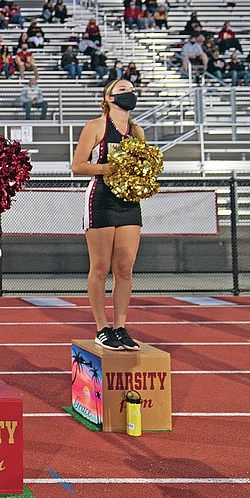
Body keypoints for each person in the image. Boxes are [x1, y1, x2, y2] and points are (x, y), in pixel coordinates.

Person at [71, 79, 144, 351]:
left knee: (125, 267)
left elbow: (142, 167)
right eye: (123, 89)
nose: (130, 93)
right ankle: (102, 327)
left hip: (128, 202)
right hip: (101, 199)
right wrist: (107, 170)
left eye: (132, 89)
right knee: (100, 267)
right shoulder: (96, 126)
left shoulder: (137, 131)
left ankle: (120, 326)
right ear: (109, 97)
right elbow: (77, 165)